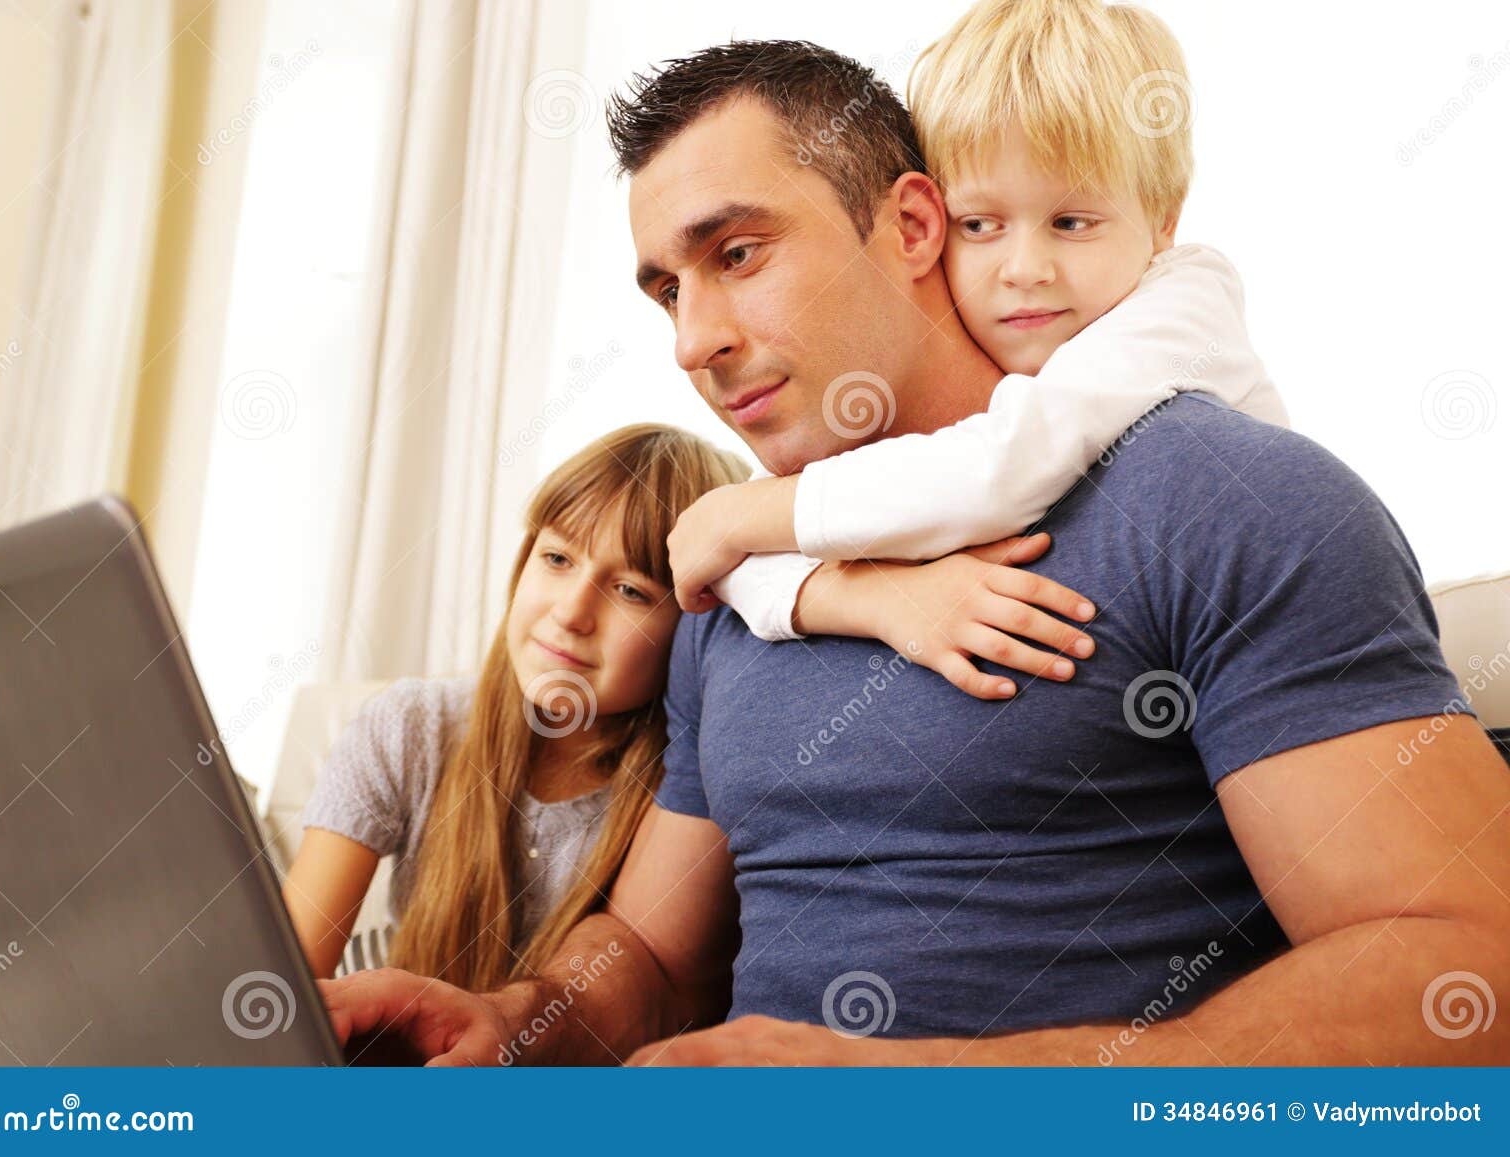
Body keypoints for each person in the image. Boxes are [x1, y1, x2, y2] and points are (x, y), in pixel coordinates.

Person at [319, 37, 1510, 1066]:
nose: (694, 338)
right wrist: (513, 1020)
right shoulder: (740, 583)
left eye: (736, 254)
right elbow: (649, 953)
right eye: (665, 289)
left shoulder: (1221, 496)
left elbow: (1473, 979)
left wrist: (919, 1088)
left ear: (909, 223)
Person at [283, 423, 1089, 985]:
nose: (570, 611)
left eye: (631, 589)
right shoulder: (411, 731)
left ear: (694, 621)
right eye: (557, 558)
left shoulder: (695, 792)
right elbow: (285, 985)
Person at [667, 0, 1290, 671]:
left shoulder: (1181, 307)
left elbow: (1001, 470)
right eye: (979, 225)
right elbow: (730, 560)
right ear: (928, 220)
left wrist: (736, 516)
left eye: (1073, 223)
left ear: (1164, 221)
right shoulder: (952, 366)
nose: (1024, 270)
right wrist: (866, 596)